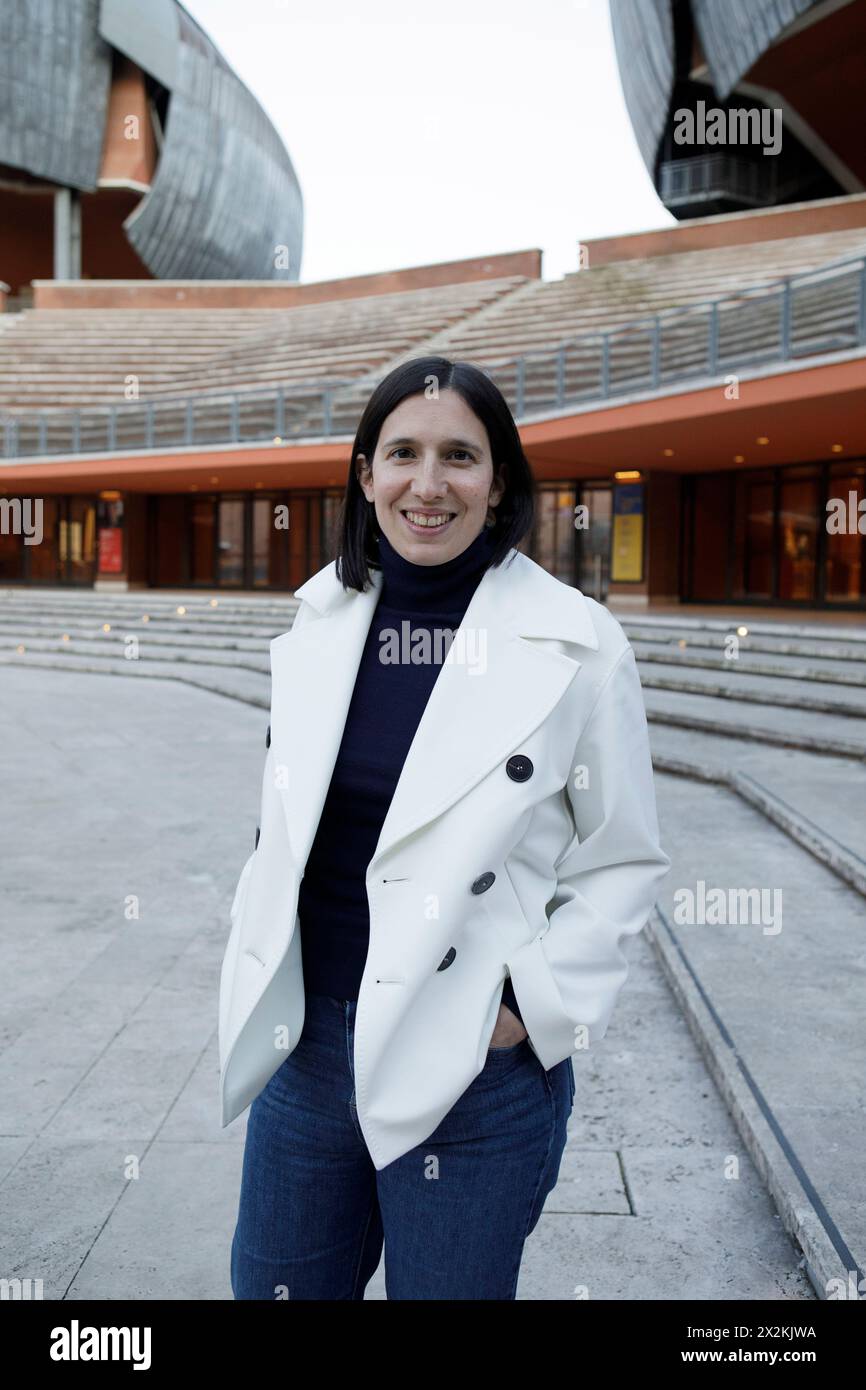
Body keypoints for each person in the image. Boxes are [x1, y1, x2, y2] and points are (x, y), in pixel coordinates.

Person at [220, 354, 671, 1299]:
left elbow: (621, 858)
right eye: (403, 454)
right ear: (365, 473)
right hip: (305, 1053)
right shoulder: (319, 619)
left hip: (473, 1063)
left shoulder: (577, 642)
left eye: (460, 456)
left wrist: (527, 1007)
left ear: (498, 479)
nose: (429, 486)